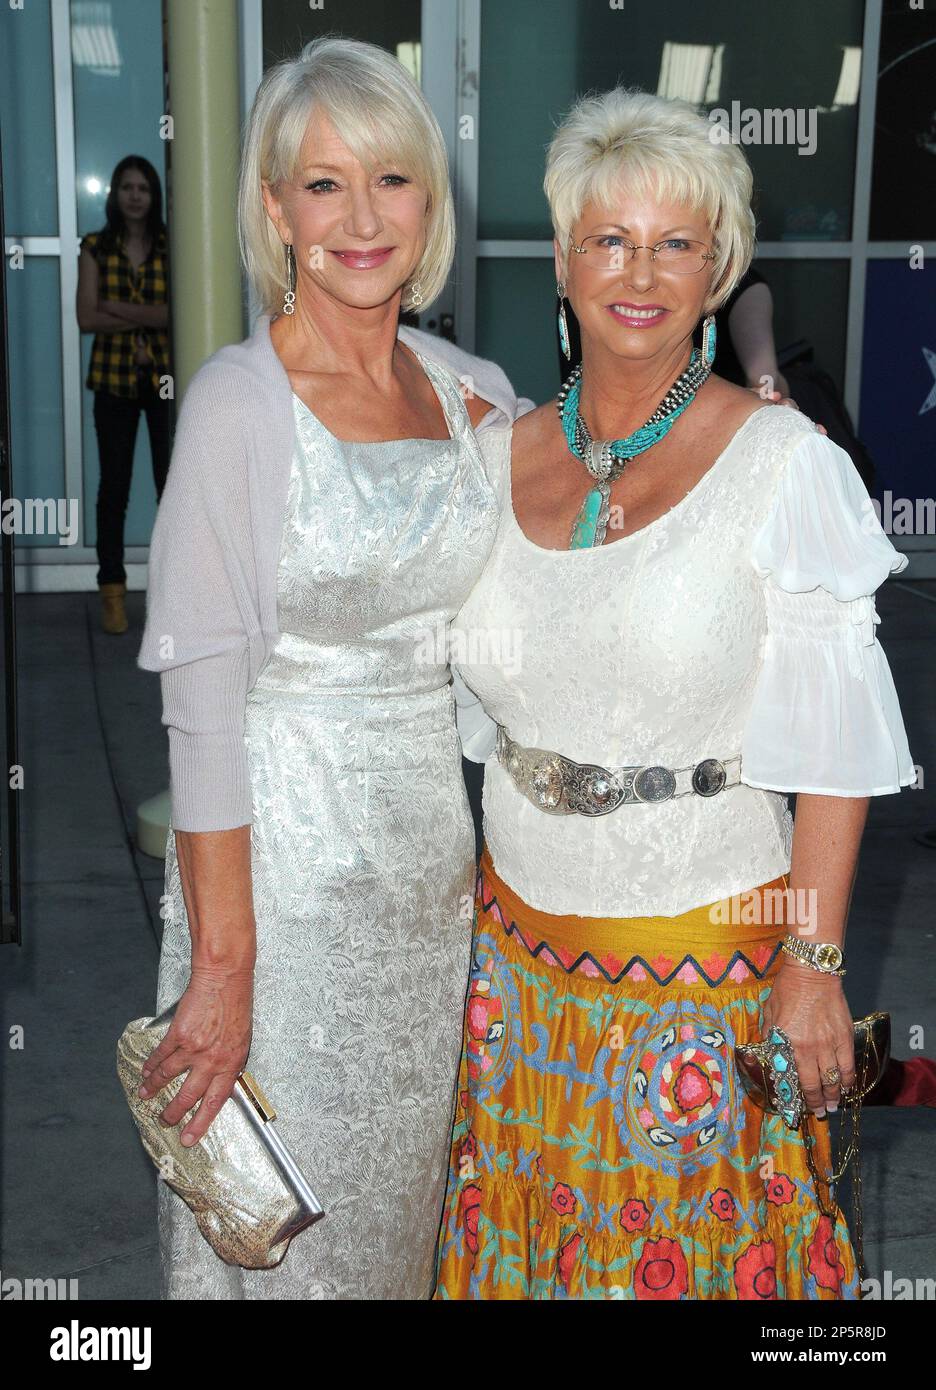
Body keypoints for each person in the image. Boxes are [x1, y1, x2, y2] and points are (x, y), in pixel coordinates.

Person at [434, 87, 916, 1300]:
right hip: (517, 985)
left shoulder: (786, 466)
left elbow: (840, 755)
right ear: (562, 256)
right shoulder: (492, 459)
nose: (639, 270)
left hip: (703, 983)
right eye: (610, 238)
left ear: (718, 268)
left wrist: (812, 962)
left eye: (675, 242)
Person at [134, 38, 531, 1300]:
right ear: (272, 208)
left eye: (393, 180)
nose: (363, 218)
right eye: (322, 184)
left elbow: (530, 627)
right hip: (282, 893)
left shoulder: (479, 398)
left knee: (395, 1219)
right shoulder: (239, 406)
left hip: (429, 887)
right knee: (273, 1222)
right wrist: (224, 965)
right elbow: (200, 709)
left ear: (432, 203)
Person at [77, 155, 171, 634]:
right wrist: (147, 313)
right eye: (127, 187)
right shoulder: (95, 246)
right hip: (113, 383)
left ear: (154, 196)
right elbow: (85, 319)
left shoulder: (171, 246)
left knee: (169, 488)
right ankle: (112, 590)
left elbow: (175, 314)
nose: (136, 195)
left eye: (144, 188)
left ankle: (174, 595)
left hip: (163, 385)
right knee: (113, 489)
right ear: (115, 195)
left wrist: (114, 305)